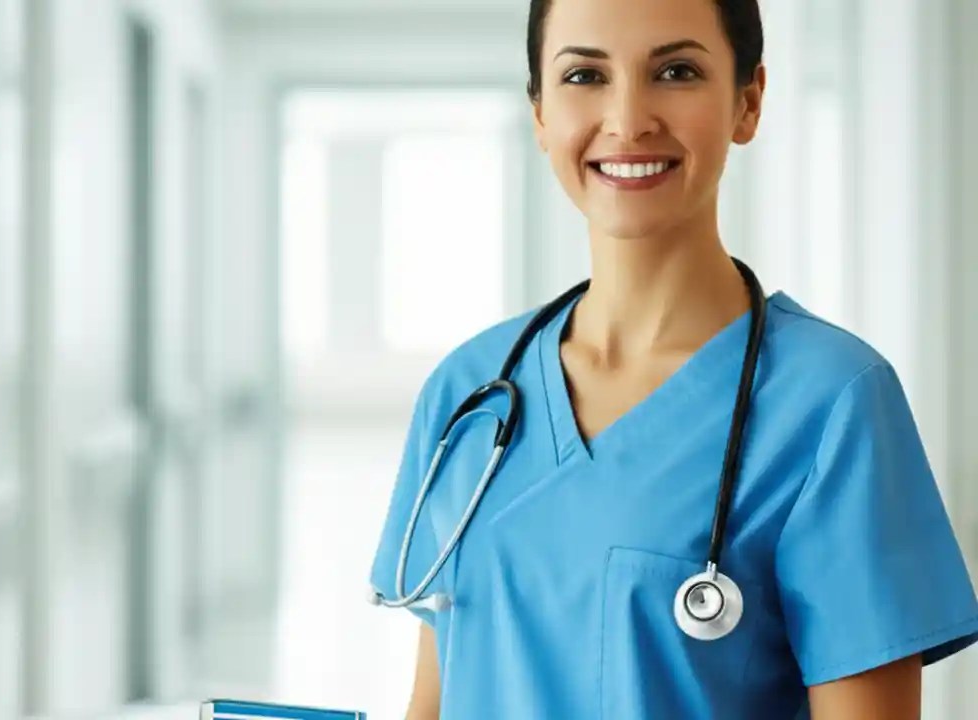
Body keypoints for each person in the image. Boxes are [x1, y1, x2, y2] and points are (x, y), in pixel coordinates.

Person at [366, 0, 978, 717]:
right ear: (539, 112)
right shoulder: (468, 391)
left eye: (676, 71)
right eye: (584, 75)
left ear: (747, 103)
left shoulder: (831, 401)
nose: (628, 120)